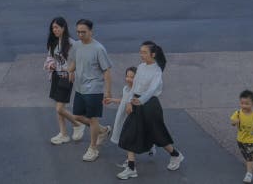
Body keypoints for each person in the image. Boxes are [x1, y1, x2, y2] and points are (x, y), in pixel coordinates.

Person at [117, 41, 184, 180]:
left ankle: (176, 155)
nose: (141, 55)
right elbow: (135, 86)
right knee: (129, 132)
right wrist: (130, 101)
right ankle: (131, 168)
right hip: (136, 102)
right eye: (140, 52)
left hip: (150, 106)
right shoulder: (141, 67)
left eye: (144, 52)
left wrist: (141, 100)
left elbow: (152, 89)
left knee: (157, 134)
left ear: (153, 54)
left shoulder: (157, 71)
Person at [67, 19, 113, 162]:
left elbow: (106, 71)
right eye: (78, 32)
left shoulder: (98, 48)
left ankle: (93, 149)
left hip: (94, 88)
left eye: (83, 32)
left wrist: (108, 91)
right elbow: (75, 60)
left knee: (93, 119)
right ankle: (103, 131)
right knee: (77, 116)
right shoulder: (76, 45)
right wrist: (70, 71)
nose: (80, 34)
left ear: (91, 32)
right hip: (80, 87)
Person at [45, 17, 85, 145]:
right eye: (53, 28)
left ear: (63, 28)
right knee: (58, 106)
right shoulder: (54, 42)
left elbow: (77, 60)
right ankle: (63, 134)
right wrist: (50, 64)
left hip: (66, 77)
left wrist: (71, 72)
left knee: (60, 108)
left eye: (57, 27)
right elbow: (50, 57)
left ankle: (77, 123)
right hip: (56, 76)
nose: (55, 30)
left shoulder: (71, 43)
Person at [109, 66, 157, 168]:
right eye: (127, 76)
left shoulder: (137, 92)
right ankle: (150, 146)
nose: (128, 79)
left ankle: (130, 162)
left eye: (132, 77)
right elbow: (123, 100)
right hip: (123, 117)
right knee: (131, 138)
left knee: (129, 139)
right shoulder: (125, 89)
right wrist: (112, 100)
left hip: (132, 119)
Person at [231, 89, 253, 183]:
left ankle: (249, 174)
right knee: (247, 156)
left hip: (252, 140)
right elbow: (232, 122)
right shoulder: (237, 113)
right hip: (240, 139)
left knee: (249, 158)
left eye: (247, 103)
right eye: (242, 103)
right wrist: (234, 122)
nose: (244, 106)